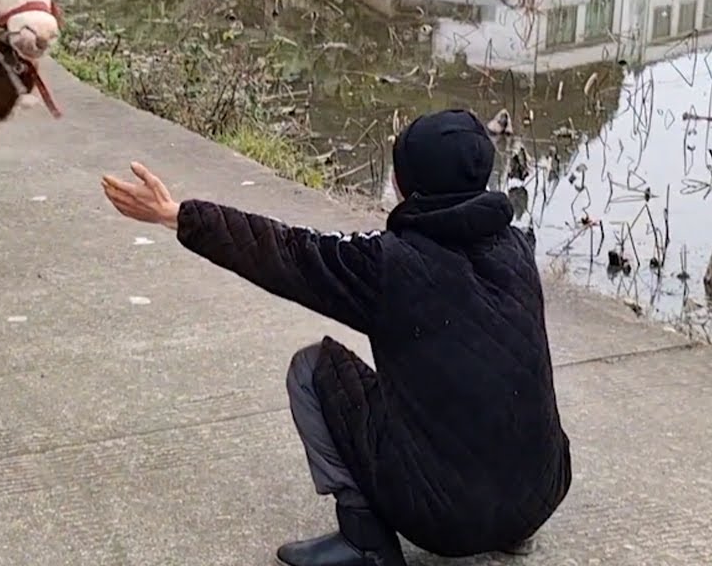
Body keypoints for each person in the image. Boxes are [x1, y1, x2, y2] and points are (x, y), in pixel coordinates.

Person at [101, 109, 572, 566]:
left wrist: (176, 214)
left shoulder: (388, 265)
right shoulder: (517, 248)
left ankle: (365, 538)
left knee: (311, 370)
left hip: (443, 521)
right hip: (544, 493)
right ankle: (514, 527)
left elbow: (284, 250)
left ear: (410, 185)